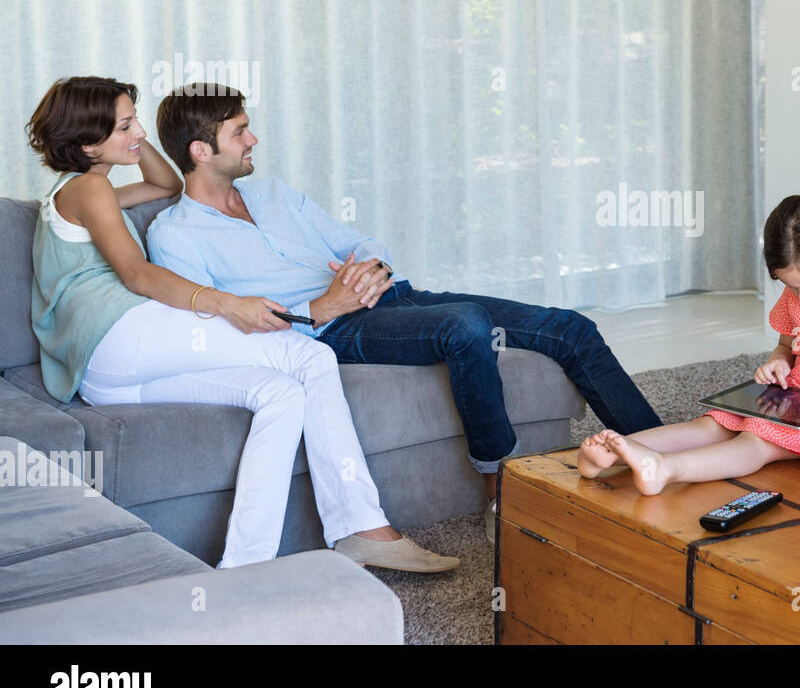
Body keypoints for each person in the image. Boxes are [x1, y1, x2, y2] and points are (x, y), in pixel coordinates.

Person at [145, 84, 664, 535]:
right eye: (240, 132)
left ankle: (663, 454)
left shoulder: (274, 193)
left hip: (392, 298)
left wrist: (372, 268)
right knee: (465, 325)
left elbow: (359, 241)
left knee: (571, 328)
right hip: (332, 333)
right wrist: (324, 306)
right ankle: (499, 486)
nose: (253, 139)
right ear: (201, 150)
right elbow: (220, 331)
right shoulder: (177, 236)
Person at [26, 76, 457, 572]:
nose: (139, 131)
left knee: (279, 393)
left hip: (107, 374)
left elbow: (166, 185)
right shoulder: (90, 186)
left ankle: (244, 569)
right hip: (118, 337)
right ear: (86, 144)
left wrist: (135, 141)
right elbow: (138, 274)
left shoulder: (78, 189)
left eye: (136, 120)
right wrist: (227, 304)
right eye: (126, 125)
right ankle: (362, 527)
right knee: (310, 356)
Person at [578, 194, 800, 495]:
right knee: (713, 424)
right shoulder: (799, 293)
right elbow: (786, 346)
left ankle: (664, 469)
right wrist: (779, 362)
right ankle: (615, 454)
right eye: (790, 286)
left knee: (756, 443)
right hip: (796, 397)